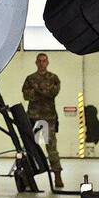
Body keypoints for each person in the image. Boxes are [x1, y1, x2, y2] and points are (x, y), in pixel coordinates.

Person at [22, 53, 63, 188]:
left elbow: (53, 93)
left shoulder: (54, 78)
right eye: (39, 61)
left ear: (47, 62)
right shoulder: (30, 78)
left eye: (44, 61)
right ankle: (28, 177)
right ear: (36, 62)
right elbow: (27, 96)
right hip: (33, 117)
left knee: (51, 149)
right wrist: (43, 91)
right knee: (29, 149)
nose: (41, 63)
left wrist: (37, 90)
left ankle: (57, 175)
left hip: (48, 118)